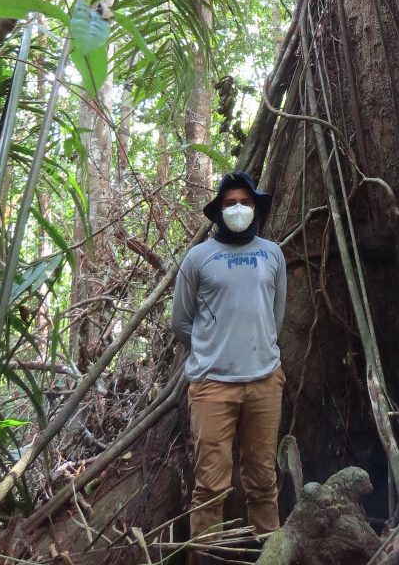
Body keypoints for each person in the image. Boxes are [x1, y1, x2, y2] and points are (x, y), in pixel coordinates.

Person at [171, 170, 287, 547]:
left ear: (256, 208)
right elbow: (181, 321)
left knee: (263, 482)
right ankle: (209, 557)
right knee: (210, 488)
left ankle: (268, 553)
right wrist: (213, 349)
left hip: (265, 384)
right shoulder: (198, 258)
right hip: (212, 387)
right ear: (219, 211)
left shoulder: (273, 254)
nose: (238, 209)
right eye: (230, 203)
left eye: (245, 203)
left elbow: (276, 313)